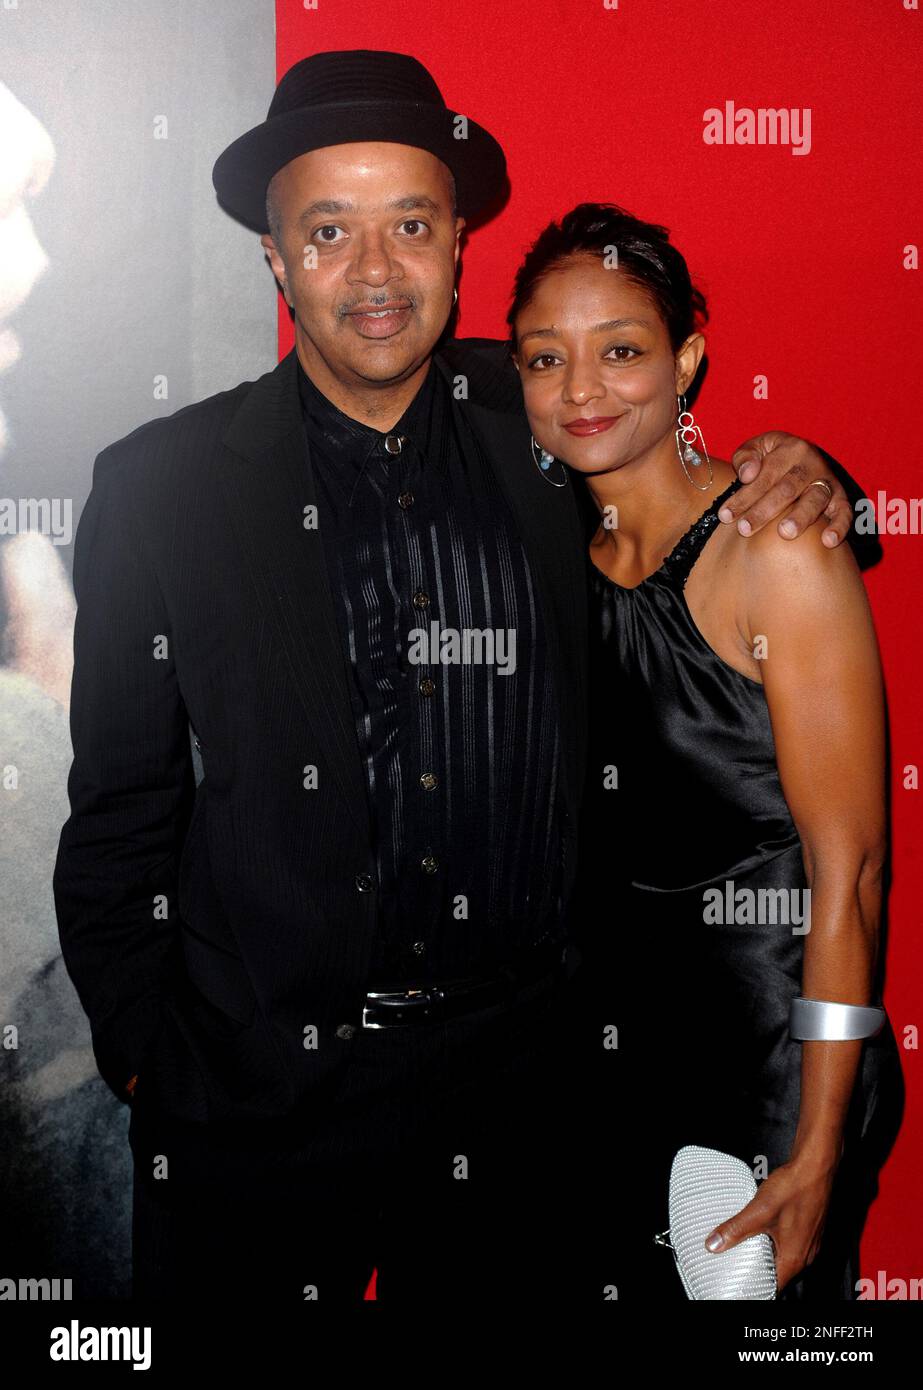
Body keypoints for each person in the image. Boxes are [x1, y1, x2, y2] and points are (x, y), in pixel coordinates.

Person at [53, 51, 860, 1302]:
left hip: (523, 1102)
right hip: (256, 1102)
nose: (374, 274)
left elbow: (691, 485)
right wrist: (147, 1052)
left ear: (457, 247)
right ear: (276, 258)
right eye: (329, 231)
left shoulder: (541, 419)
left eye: (410, 225)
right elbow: (117, 807)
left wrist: (814, 471)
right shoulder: (161, 487)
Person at [508, 202, 904, 1300]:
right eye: (546, 359)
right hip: (601, 1063)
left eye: (621, 351)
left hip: (770, 1061)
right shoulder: (547, 561)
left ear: (685, 359)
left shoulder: (772, 543)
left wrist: (818, 1145)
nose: (581, 390)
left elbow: (852, 874)